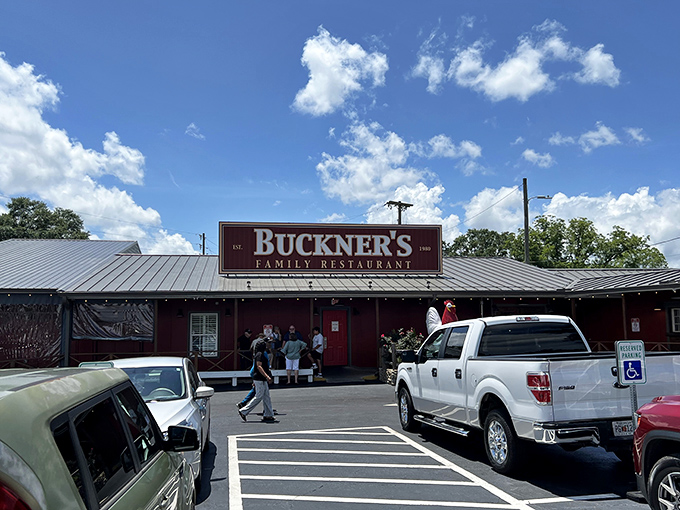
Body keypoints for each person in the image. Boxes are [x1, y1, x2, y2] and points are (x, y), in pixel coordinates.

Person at [238, 340, 276, 423]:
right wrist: (267, 376)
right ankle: (243, 411)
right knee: (259, 396)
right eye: (264, 345)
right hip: (259, 378)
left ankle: (268, 414)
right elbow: (259, 366)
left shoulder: (261, 354)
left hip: (262, 379)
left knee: (266, 396)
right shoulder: (259, 355)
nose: (266, 346)